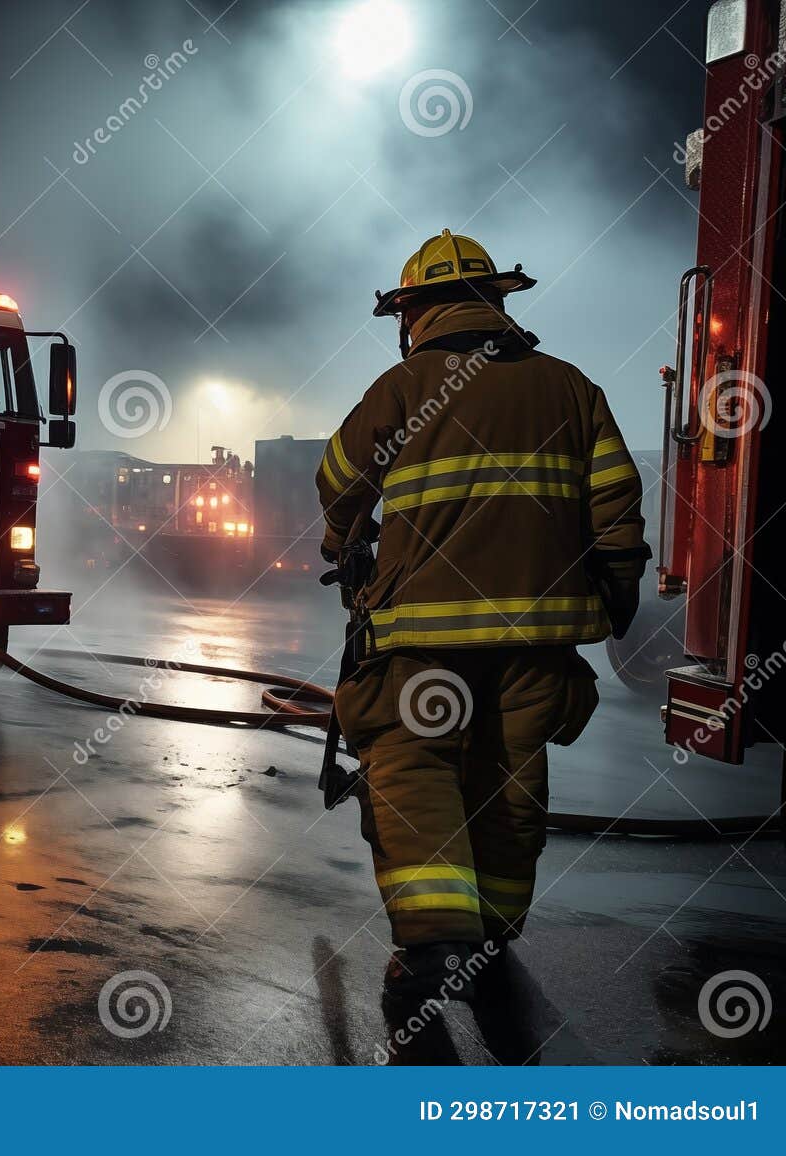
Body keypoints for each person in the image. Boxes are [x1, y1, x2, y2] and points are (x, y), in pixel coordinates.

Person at [315, 230, 648, 1002]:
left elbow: (339, 481)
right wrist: (618, 587)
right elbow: (616, 504)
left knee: (414, 770)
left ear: (415, 314)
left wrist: (347, 542)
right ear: (496, 301)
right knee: (511, 778)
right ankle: (495, 933)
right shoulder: (572, 388)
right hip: (538, 639)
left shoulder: (400, 390)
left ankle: (433, 942)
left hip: (420, 641)